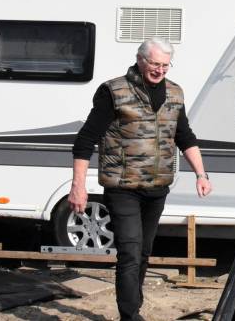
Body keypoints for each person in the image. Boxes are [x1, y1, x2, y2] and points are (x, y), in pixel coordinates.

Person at [70, 39, 212, 321]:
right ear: (140, 60)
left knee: (143, 253)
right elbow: (86, 140)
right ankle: (130, 315)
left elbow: (185, 136)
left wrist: (201, 174)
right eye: (154, 64)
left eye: (164, 65)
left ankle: (133, 306)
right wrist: (78, 185)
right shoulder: (114, 91)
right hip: (123, 188)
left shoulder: (174, 92)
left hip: (157, 188)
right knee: (131, 251)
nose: (159, 70)